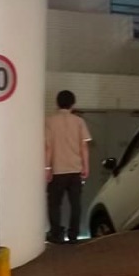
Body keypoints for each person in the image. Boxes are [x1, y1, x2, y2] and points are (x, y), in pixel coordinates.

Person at [44, 89, 91, 244]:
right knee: (75, 204)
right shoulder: (79, 121)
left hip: (57, 170)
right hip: (75, 169)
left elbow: (48, 147)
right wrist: (86, 166)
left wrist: (47, 168)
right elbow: (84, 146)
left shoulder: (49, 121)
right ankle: (73, 234)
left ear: (57, 103)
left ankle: (57, 233)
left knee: (54, 204)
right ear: (73, 103)